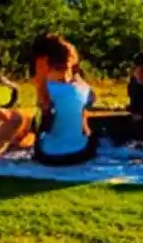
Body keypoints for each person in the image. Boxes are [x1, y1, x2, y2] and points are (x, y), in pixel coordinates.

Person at [34, 38, 98, 166]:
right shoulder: (85, 89)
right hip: (80, 152)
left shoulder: (47, 90)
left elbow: (44, 122)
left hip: (47, 156)